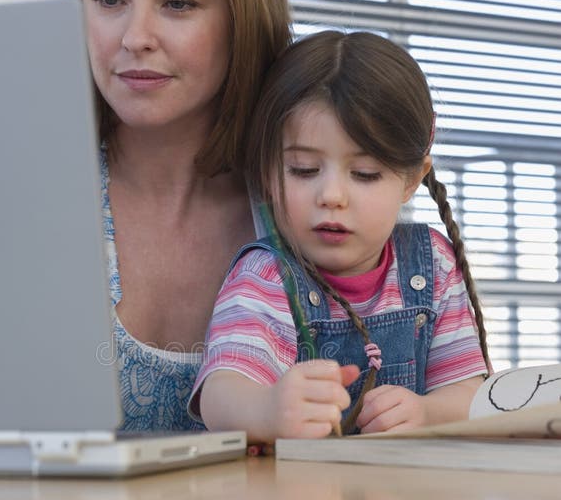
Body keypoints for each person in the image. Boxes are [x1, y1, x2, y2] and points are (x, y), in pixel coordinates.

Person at [190, 30, 491, 441]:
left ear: (410, 182)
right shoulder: (266, 275)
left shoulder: (432, 266)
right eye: (303, 170)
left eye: (365, 174)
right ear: (265, 171)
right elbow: (221, 393)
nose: (331, 196)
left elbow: (472, 393)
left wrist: (427, 412)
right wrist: (268, 409)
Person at [65, 0, 292, 430]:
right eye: (107, 0)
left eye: (178, 4)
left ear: (245, 14)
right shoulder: (28, 198)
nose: (135, 38)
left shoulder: (312, 202)